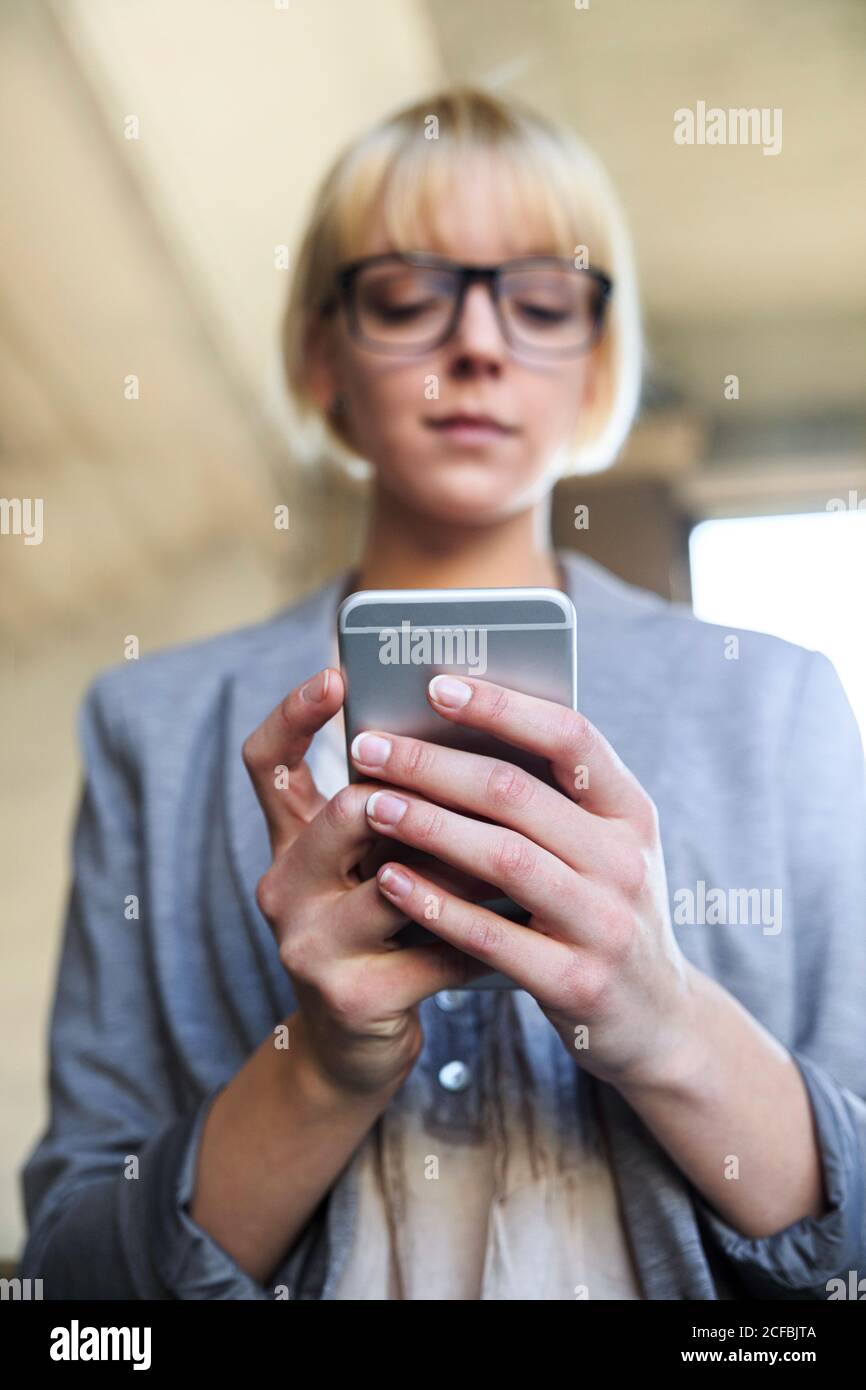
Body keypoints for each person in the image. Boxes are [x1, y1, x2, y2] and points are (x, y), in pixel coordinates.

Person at [19, 86, 866, 1301]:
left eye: (538, 297)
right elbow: (70, 1302)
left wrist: (663, 1023)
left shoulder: (776, 706)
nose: (478, 345)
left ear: (592, 363)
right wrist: (315, 1070)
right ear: (321, 356)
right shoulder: (152, 728)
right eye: (408, 294)